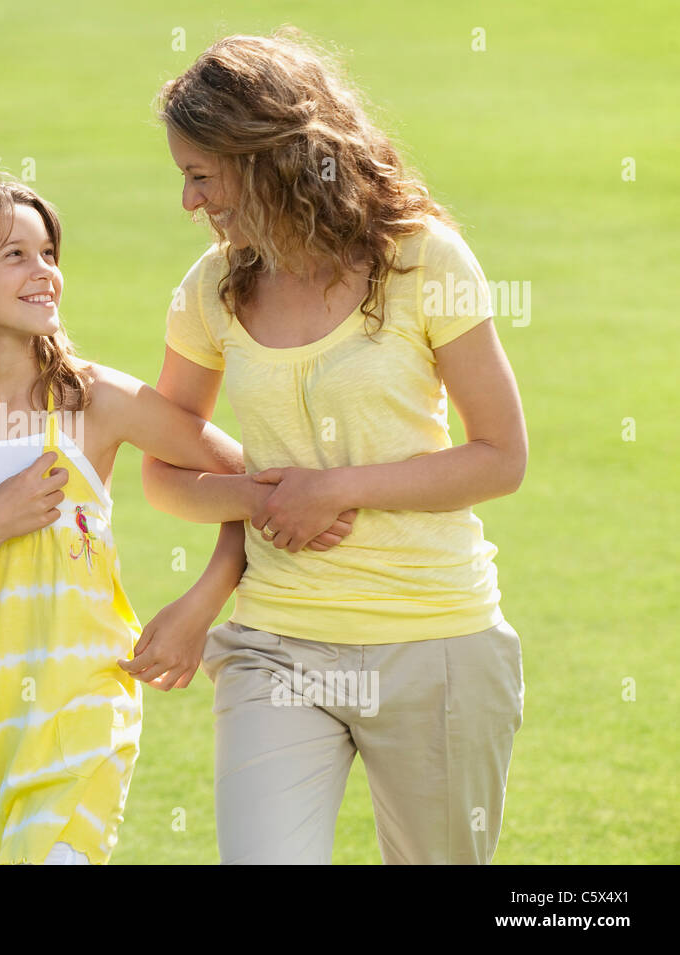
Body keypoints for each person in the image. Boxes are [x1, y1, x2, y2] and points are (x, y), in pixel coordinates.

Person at [0, 171, 353, 864]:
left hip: (86, 714)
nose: (46, 273)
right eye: (16, 256)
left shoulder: (92, 400)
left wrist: (203, 602)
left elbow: (253, 482)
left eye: (49, 254)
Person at [129, 31, 528, 864]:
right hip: (278, 643)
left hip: (434, 639)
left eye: (201, 175)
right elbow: (164, 469)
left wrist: (337, 486)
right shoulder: (210, 287)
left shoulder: (423, 258)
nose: (190, 202)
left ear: (266, 156)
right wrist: (259, 497)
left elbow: (499, 455)